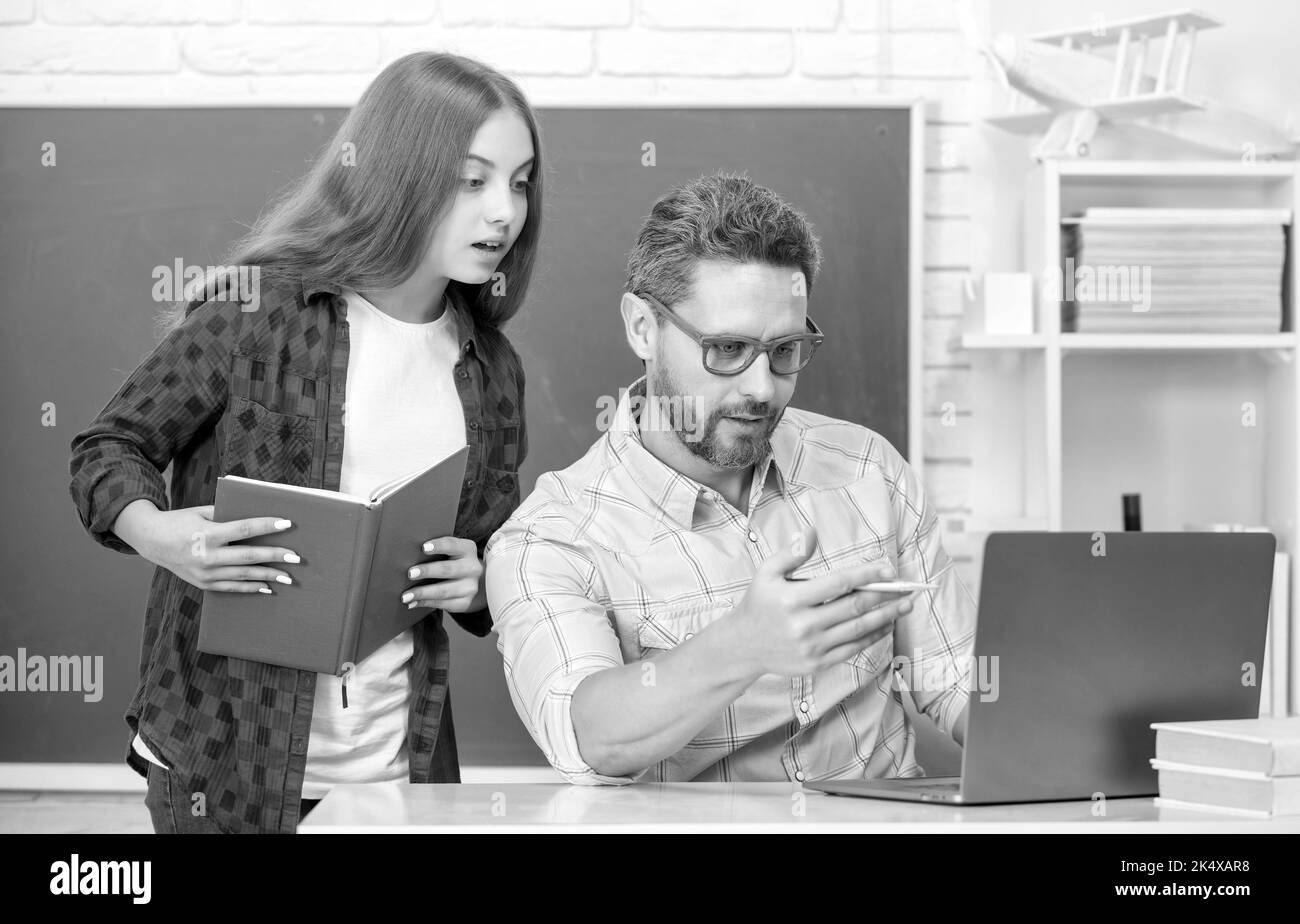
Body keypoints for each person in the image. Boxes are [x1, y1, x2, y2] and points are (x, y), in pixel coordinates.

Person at [68, 52, 540, 832]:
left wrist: (482, 584)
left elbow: (495, 558)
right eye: (473, 179)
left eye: (520, 183)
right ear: (400, 173)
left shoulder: (491, 370)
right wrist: (161, 536)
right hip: (223, 765)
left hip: (399, 771)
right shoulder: (258, 311)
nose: (505, 213)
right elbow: (106, 448)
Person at [485, 172, 975, 785]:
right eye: (728, 349)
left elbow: (952, 675)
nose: (762, 387)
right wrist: (741, 646)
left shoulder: (868, 468)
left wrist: (1058, 732)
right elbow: (588, 738)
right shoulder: (550, 538)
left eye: (785, 351)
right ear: (643, 327)